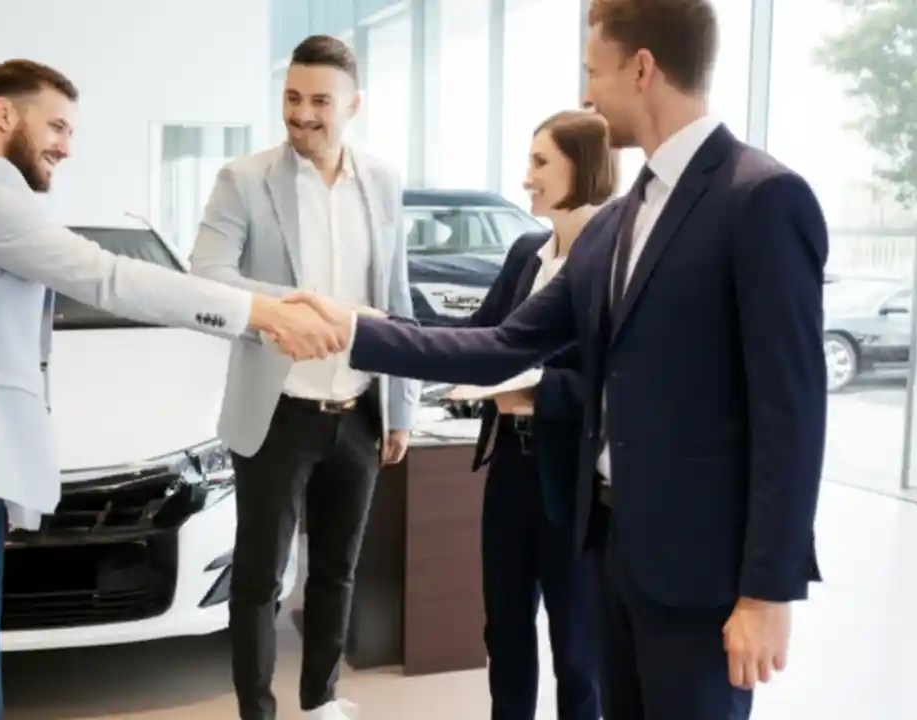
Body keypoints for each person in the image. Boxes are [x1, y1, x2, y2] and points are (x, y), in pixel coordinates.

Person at [295, 2, 829, 718]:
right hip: (609, 549)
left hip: (703, 579)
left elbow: (791, 411)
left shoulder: (761, 198)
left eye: (593, 72)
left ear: (642, 68)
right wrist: (356, 329)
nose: (585, 95)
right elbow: (502, 345)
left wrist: (768, 593)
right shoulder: (619, 218)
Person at [0, 59, 342, 719]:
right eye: (58, 126)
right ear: (4, 115)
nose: (67, 146)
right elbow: (108, 278)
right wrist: (261, 314)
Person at [189, 34, 418, 720]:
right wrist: (288, 310)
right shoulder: (244, 179)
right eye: (292, 97)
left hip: (357, 412)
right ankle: (256, 712)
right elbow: (207, 275)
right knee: (259, 579)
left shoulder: (381, 180)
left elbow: (396, 295)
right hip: (277, 410)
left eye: (320, 100)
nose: (303, 114)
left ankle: (320, 700)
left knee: (336, 573)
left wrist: (399, 407)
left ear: (354, 105)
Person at [459, 109, 611, 720]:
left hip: (574, 482)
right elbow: (481, 337)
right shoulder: (527, 252)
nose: (527, 177)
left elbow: (616, 379)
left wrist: (539, 392)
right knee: (506, 634)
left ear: (584, 166)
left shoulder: (613, 259)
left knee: (576, 650)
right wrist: (390, 328)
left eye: (541, 161)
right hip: (511, 472)